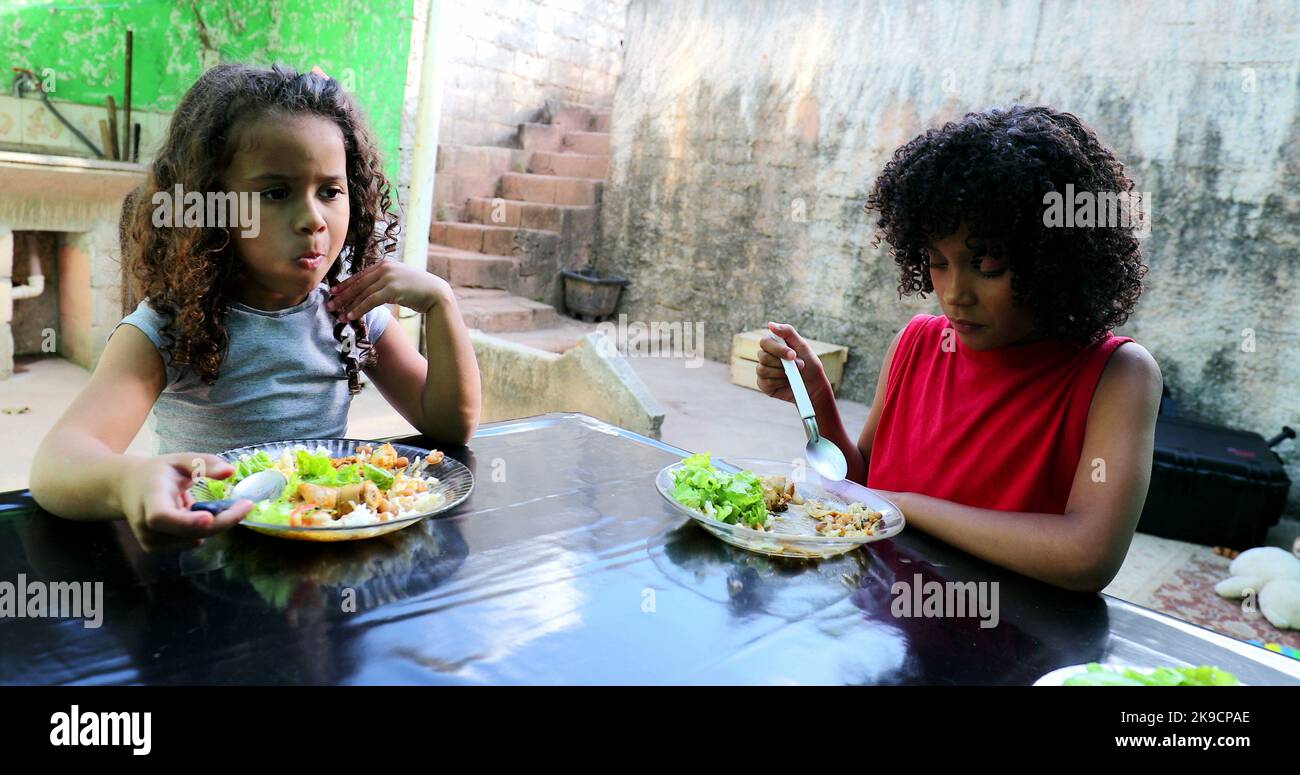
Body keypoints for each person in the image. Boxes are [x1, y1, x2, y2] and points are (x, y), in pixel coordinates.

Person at [30, 64, 481, 553]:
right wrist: (129, 481)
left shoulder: (351, 310)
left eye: (330, 191)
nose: (312, 219)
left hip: (325, 555)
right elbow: (57, 463)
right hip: (213, 555)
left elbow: (449, 425)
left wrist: (442, 303)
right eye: (275, 193)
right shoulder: (170, 327)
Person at [758, 105, 1162, 593]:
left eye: (986, 265)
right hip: (884, 630)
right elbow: (860, 489)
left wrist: (906, 506)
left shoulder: (1117, 376)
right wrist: (817, 399)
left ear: (1054, 259)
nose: (954, 293)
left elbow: (1086, 554)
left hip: (1008, 650)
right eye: (937, 262)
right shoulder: (917, 344)